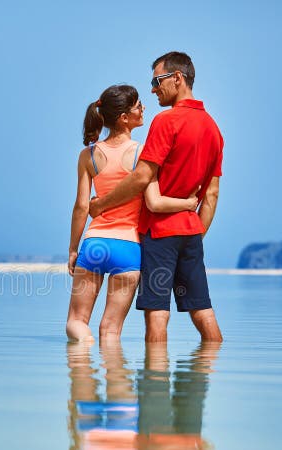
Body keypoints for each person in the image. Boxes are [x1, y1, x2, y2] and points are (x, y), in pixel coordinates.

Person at [89, 52, 225, 343]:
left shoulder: (166, 121)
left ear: (177, 78)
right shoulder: (214, 129)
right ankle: (212, 362)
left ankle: (155, 372)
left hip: (159, 233)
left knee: (157, 312)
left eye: (156, 81)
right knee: (203, 310)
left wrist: (100, 204)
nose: (152, 90)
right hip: (191, 233)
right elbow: (212, 194)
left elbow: (141, 177)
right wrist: (194, 235)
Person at [66, 84, 199, 343]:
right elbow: (154, 202)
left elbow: (81, 207)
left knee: (77, 321)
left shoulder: (88, 156)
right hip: (128, 247)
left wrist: (73, 249)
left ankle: (83, 347)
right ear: (124, 118)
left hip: (94, 244)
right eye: (138, 105)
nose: (144, 108)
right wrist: (187, 203)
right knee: (111, 331)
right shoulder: (143, 153)